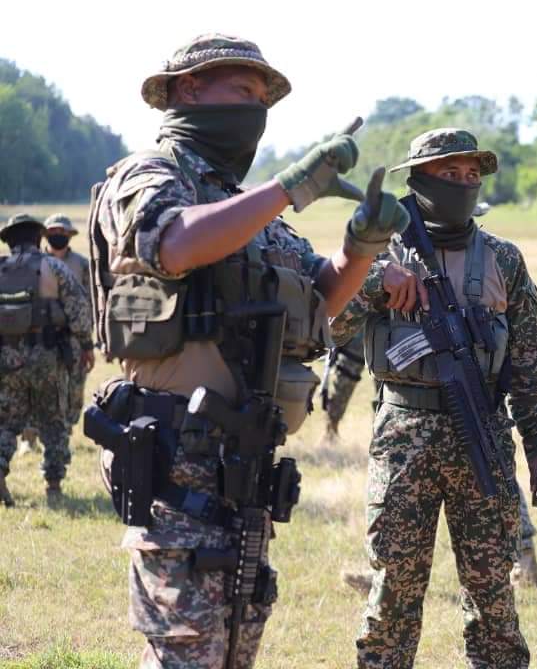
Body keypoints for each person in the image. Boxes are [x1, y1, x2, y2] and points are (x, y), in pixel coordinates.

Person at [85, 33, 406, 668]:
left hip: (247, 468)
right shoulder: (149, 176)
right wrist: (291, 187)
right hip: (179, 464)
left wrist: (362, 245)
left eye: (263, 99)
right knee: (187, 654)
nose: (255, 110)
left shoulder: (253, 210)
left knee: (234, 648)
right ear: (188, 90)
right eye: (242, 91)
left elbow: (320, 294)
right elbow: (171, 246)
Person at [352, 127, 537, 668]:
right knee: (394, 590)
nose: (465, 183)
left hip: (483, 433)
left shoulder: (504, 259)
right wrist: (377, 279)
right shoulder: (377, 251)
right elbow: (324, 327)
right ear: (419, 179)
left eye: (473, 175)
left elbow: (528, 364)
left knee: (492, 592)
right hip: (404, 436)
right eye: (451, 173)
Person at [0, 214, 93, 506]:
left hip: (7, 360)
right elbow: (79, 310)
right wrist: (87, 345)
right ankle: (53, 486)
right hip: (47, 358)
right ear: (37, 238)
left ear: (10, 241)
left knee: (6, 423)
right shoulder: (53, 267)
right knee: (53, 422)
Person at [45, 213, 95, 436]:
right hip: (44, 337)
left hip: (75, 337)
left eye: (62, 233)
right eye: (53, 232)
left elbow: (90, 301)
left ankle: (68, 427)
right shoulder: (36, 263)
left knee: (75, 386)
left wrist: (89, 339)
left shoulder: (82, 265)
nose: (58, 236)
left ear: (69, 236)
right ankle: (32, 435)